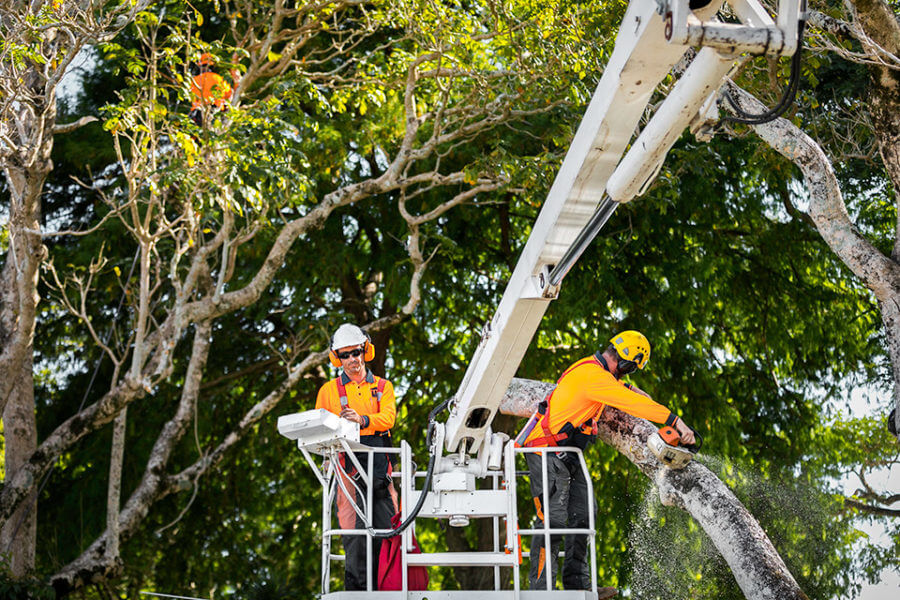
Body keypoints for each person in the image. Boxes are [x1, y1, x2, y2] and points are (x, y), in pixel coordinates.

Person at [515, 330, 696, 595]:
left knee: (584, 513)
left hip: (566, 455)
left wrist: (633, 390)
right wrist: (676, 422)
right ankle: (541, 591)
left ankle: (578, 585)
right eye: (630, 368)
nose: (628, 374)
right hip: (545, 451)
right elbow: (632, 403)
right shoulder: (593, 375)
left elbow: (628, 393)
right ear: (625, 360)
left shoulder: (599, 374)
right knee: (553, 519)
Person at [316, 323, 398, 591]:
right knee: (353, 533)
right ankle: (357, 592)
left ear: (365, 351)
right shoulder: (328, 391)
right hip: (346, 469)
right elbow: (319, 430)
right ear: (337, 358)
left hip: (380, 468)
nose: (352, 359)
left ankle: (388, 588)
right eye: (345, 355)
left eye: (356, 352)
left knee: (387, 530)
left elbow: (388, 418)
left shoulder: (383, 387)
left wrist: (362, 420)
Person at [189, 53, 238, 126]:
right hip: (215, 110)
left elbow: (190, 97)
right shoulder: (218, 79)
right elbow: (228, 94)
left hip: (198, 111)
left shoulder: (194, 80)